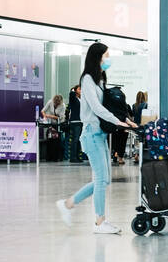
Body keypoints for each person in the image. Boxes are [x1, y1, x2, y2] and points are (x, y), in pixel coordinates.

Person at [58, 42, 136, 234]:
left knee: (104, 180)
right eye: (106, 55)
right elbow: (96, 107)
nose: (108, 59)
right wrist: (117, 122)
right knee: (101, 179)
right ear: (97, 57)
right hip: (91, 134)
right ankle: (100, 222)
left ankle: (68, 204)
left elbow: (109, 105)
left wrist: (126, 119)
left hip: (99, 135)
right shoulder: (87, 79)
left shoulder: (99, 80)